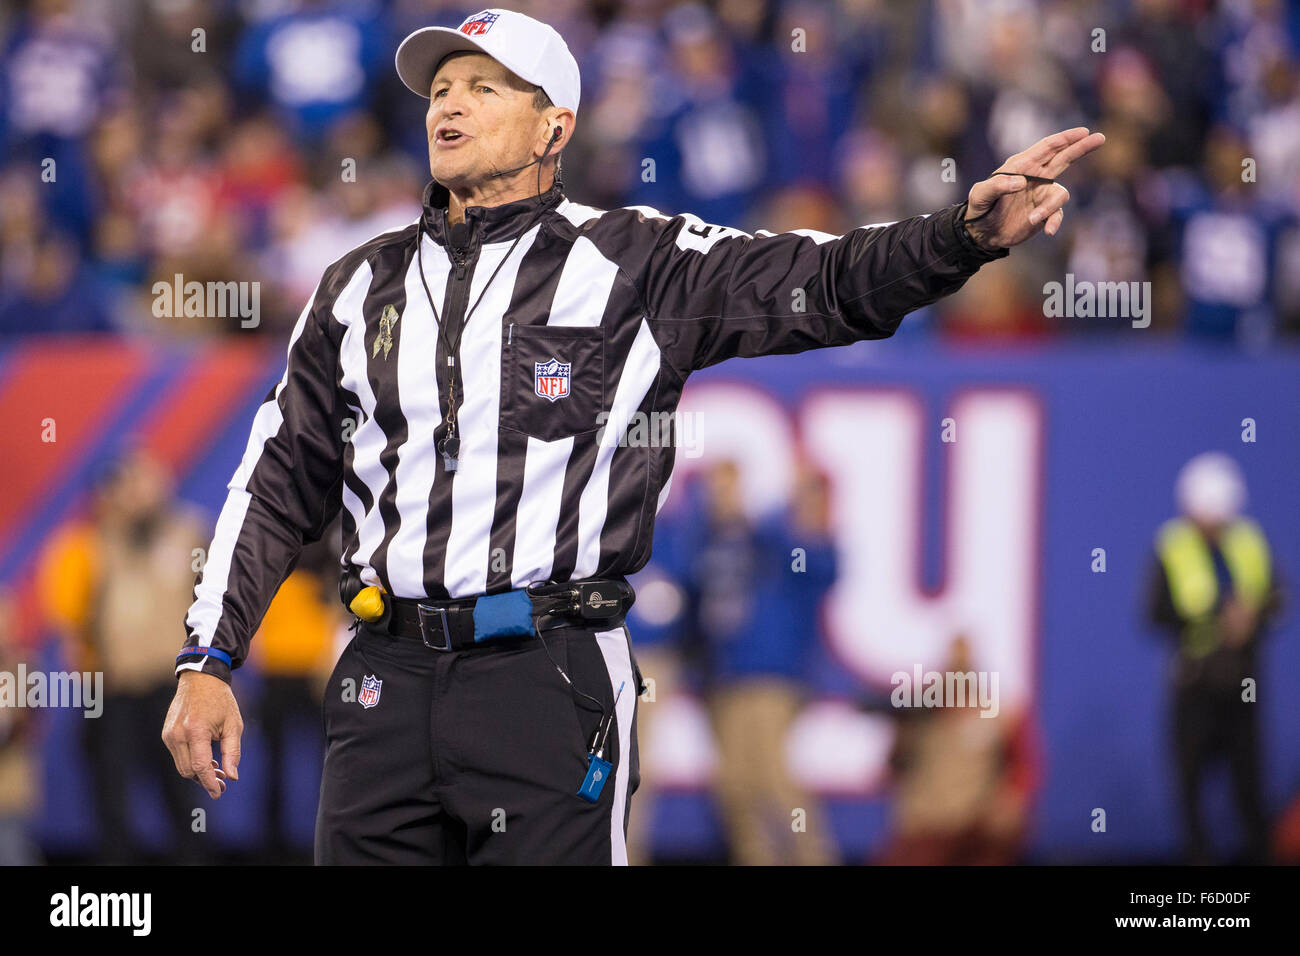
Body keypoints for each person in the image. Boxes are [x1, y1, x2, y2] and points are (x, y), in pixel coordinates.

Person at [162, 7, 1104, 865]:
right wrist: (209, 659)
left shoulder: (636, 261)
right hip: (380, 675)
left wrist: (959, 238)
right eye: (441, 89)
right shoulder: (356, 285)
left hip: (546, 672)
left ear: (554, 126)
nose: (450, 105)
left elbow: (823, 283)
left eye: (484, 87)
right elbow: (278, 479)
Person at [1147, 452, 1284, 863]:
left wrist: (1253, 616)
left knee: (1249, 783)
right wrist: (1211, 617)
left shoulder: (1249, 541)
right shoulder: (1172, 546)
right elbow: (1155, 613)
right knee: (1190, 784)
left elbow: (1280, 596)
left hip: (1243, 682)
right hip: (1195, 684)